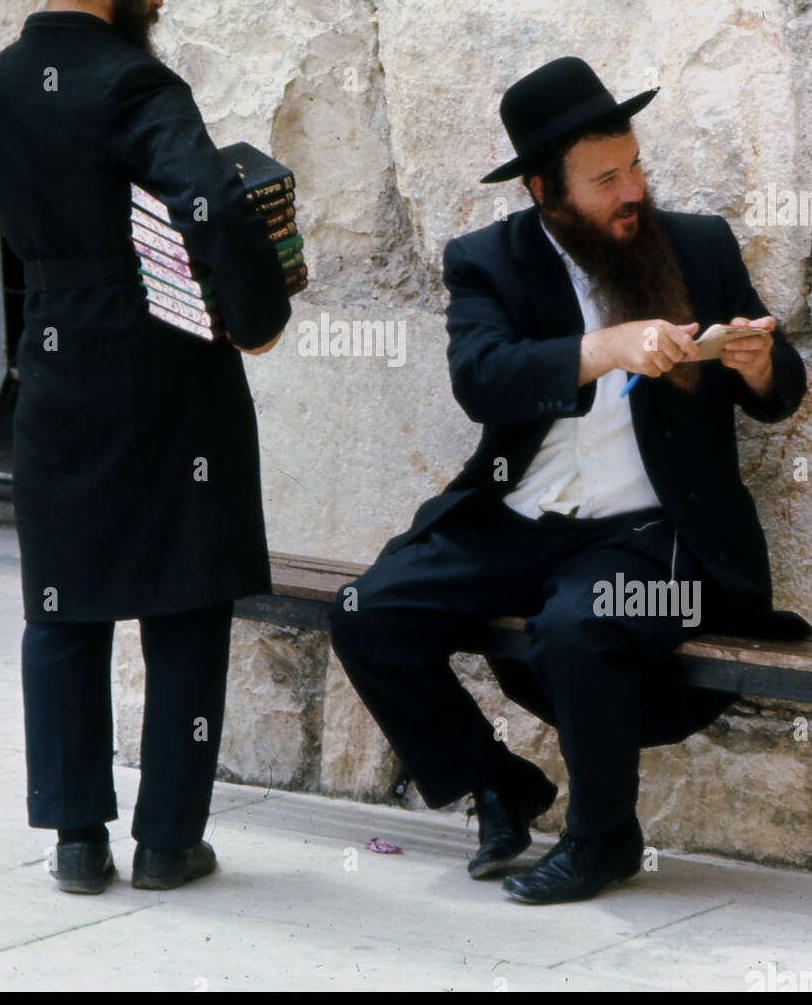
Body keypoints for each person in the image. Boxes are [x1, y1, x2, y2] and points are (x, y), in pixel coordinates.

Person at [330, 55, 807, 905]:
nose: (631, 192)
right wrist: (605, 350)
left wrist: (761, 364)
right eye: (605, 180)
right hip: (520, 519)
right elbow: (482, 378)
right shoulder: (486, 262)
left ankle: (604, 841)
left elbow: (779, 397)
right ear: (544, 193)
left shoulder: (696, 245)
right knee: (366, 613)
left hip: (651, 532)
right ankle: (492, 784)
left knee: (578, 628)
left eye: (634, 168)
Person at [0, 0, 291, 894]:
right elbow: (208, 206)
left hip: (56, 355)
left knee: (64, 607)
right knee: (185, 598)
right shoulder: (137, 83)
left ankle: (74, 840)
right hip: (162, 356)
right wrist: (257, 316)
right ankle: (164, 841)